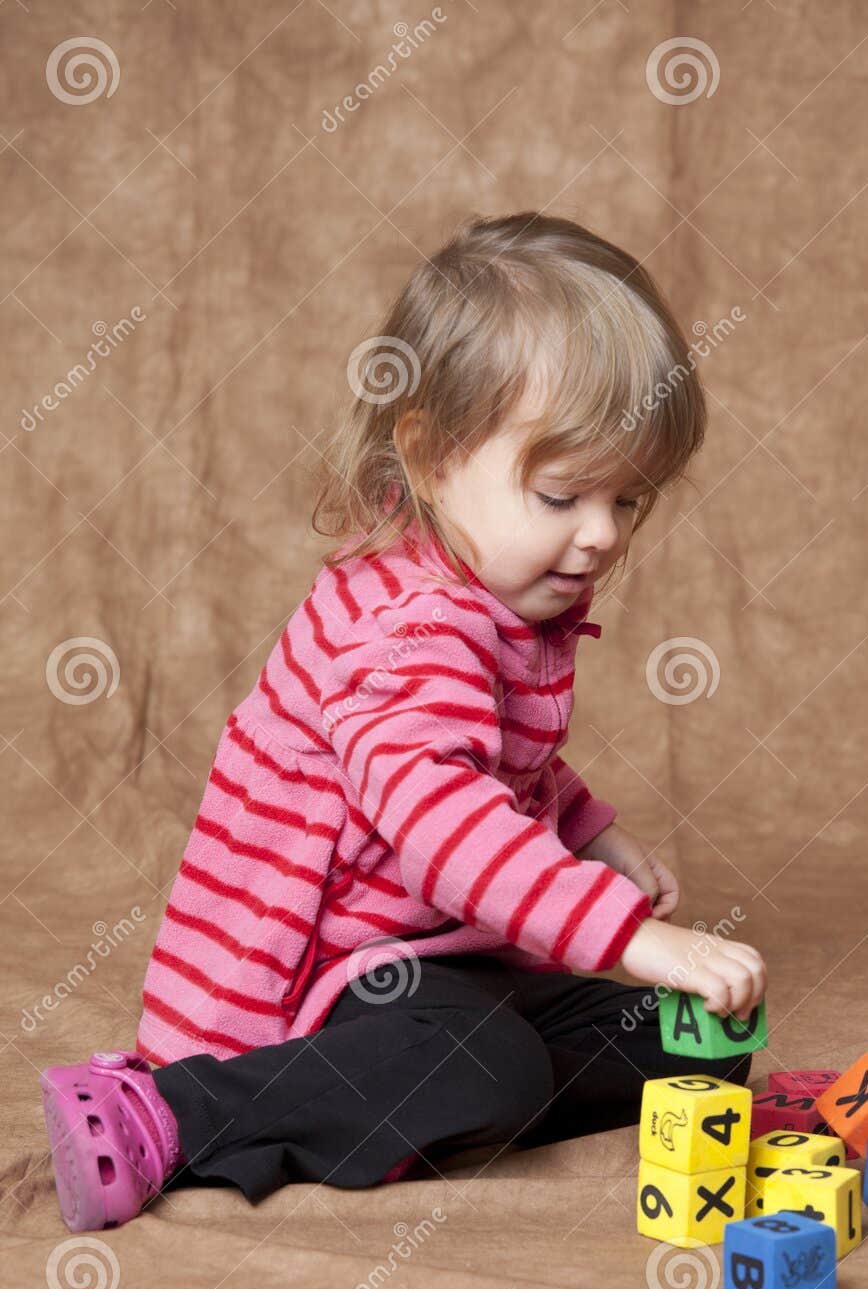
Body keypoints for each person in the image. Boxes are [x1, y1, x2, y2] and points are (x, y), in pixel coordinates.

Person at [40, 210, 767, 1233]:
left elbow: (502, 762)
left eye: (630, 501)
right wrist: (633, 938)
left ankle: (431, 1100)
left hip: (430, 959)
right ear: (429, 459)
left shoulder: (491, 598)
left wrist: (588, 830)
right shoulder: (406, 632)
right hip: (308, 991)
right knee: (486, 1063)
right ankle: (169, 1113)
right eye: (560, 493)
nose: (600, 535)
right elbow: (446, 829)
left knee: (694, 1045)